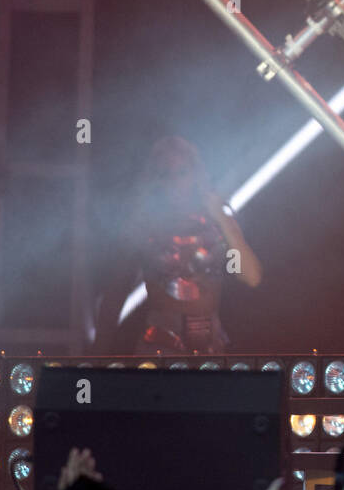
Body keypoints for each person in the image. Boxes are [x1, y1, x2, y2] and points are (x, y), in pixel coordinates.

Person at [94, 136, 261, 354]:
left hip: (211, 344)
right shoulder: (144, 225)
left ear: (194, 175)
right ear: (156, 179)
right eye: (166, 174)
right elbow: (114, 296)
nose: (175, 182)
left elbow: (251, 277)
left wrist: (223, 220)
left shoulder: (216, 222)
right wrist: (96, 358)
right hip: (160, 343)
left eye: (182, 173)